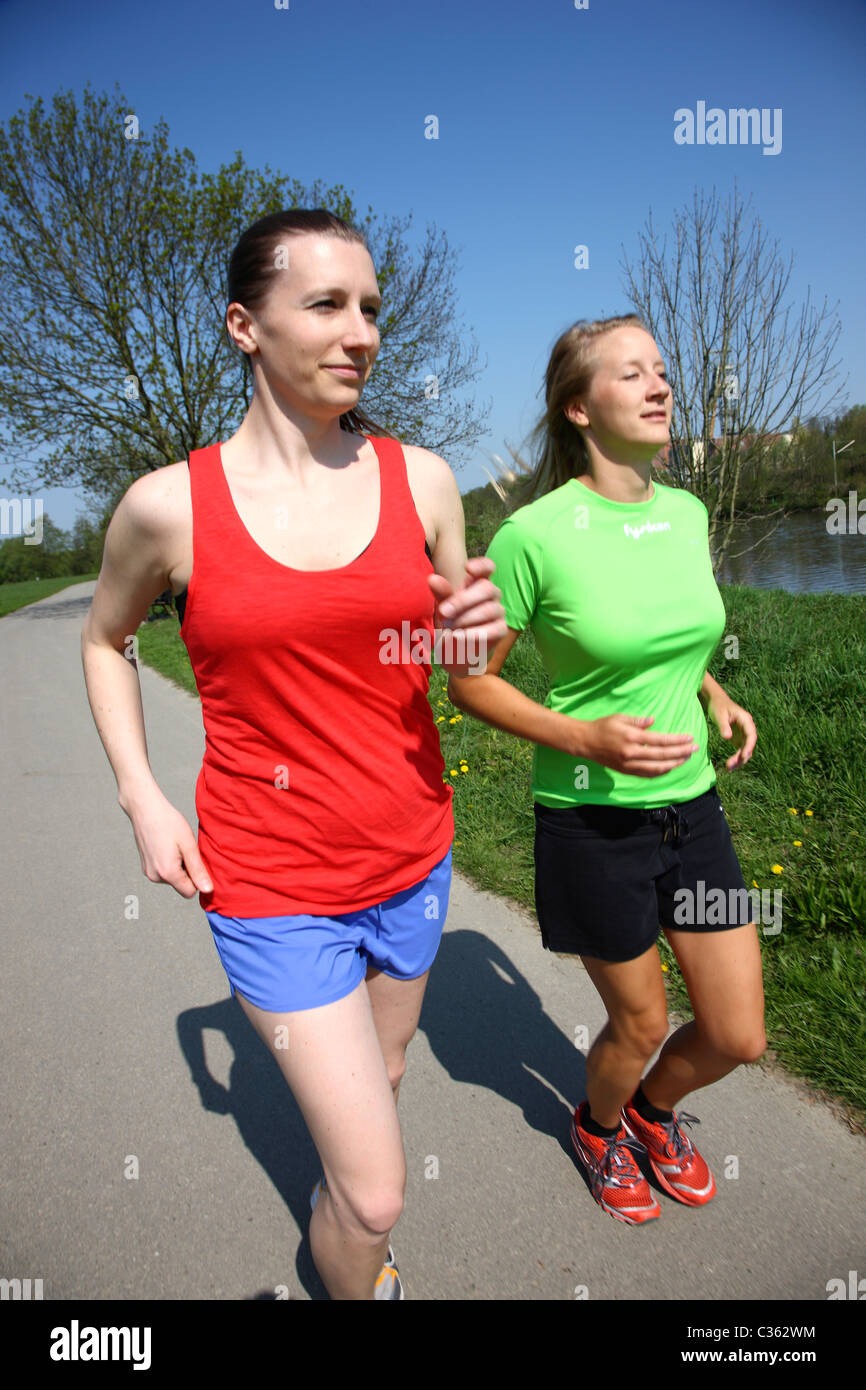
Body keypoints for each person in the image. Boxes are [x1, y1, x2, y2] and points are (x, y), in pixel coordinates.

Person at [81, 208, 506, 1296]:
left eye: (369, 306)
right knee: (374, 1191)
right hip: (271, 881)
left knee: (389, 1075)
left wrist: (479, 638)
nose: (359, 330)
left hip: (411, 854)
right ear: (243, 325)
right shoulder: (167, 508)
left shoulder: (423, 483)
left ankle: (347, 1205)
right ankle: (358, 1265)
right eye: (325, 304)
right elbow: (105, 639)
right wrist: (142, 795)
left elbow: (465, 659)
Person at [447, 315, 766, 1224]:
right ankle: (597, 1127)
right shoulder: (531, 537)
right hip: (592, 823)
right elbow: (468, 680)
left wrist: (711, 693)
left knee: (739, 1032)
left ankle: (654, 1116)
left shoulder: (687, 513)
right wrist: (586, 740)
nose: (660, 385)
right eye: (633, 375)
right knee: (640, 1025)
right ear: (580, 408)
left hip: (691, 812)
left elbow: (660, 631)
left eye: (661, 369)